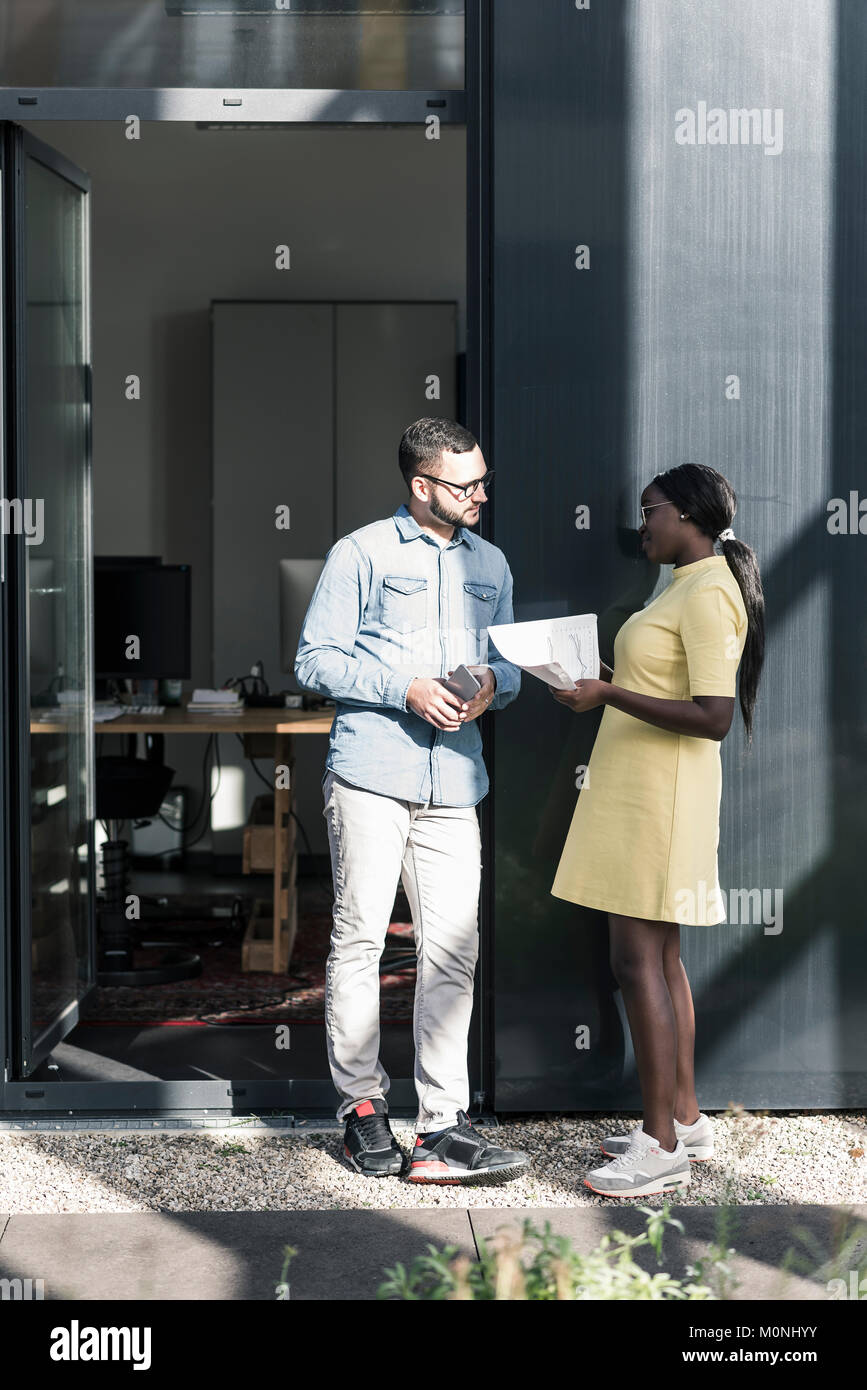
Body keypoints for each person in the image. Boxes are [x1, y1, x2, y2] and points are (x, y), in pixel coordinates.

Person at [295, 417, 530, 1185]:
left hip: (456, 784)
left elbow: (514, 668)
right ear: (420, 486)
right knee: (361, 938)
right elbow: (315, 659)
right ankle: (361, 1110)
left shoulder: (491, 563)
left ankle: (441, 1125)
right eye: (466, 485)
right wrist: (405, 687)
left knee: (451, 951)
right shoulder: (359, 552)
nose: (480, 496)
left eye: (483, 480)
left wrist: (494, 683)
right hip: (370, 774)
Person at [549, 463, 765, 1199]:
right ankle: (684, 1120)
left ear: (689, 515)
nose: (639, 525)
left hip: (659, 801)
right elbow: (666, 687)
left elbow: (712, 716)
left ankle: (659, 1146)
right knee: (661, 961)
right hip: (640, 795)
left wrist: (606, 690)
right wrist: (599, 677)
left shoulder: (707, 592)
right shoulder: (680, 586)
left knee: (637, 964)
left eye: (650, 512)